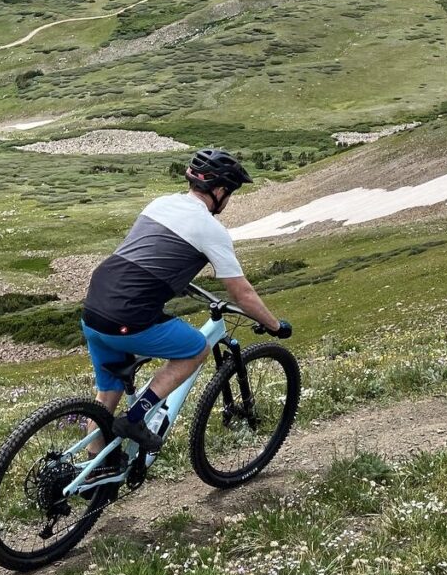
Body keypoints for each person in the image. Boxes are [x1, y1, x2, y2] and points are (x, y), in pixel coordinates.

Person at [80, 147, 291, 453]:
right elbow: (241, 293)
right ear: (219, 191)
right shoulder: (210, 228)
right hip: (127, 315)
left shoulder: (161, 203)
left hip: (95, 305)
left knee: (106, 397)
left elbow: (148, 254)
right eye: (229, 193)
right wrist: (274, 326)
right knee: (196, 348)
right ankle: (135, 419)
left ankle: (93, 471)